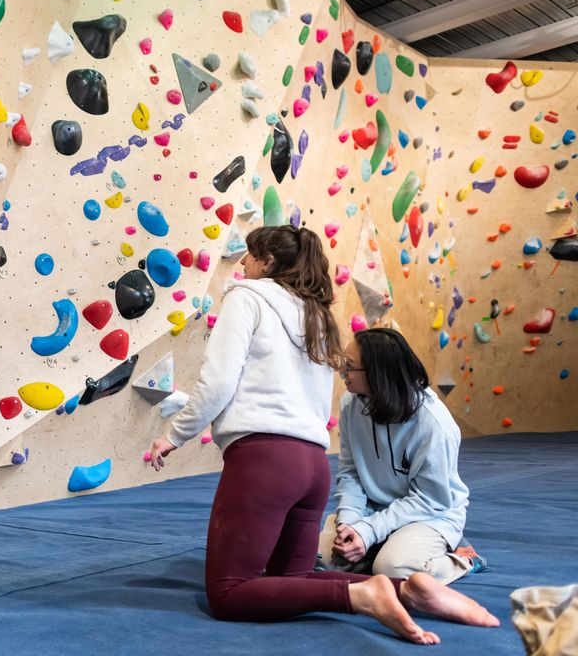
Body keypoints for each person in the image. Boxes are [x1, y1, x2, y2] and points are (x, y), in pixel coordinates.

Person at [146, 225, 499, 644]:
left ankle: (363, 594)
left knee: (228, 592)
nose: (242, 263)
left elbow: (218, 382)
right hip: (312, 467)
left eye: (250, 255)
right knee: (289, 579)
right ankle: (401, 592)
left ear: (268, 263)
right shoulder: (316, 313)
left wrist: (175, 434)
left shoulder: (246, 297)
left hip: (265, 464)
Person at [320, 327, 483, 584]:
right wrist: (349, 522)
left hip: (430, 514)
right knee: (320, 560)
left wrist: (369, 530)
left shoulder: (434, 425)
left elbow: (430, 500)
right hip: (374, 510)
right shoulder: (350, 405)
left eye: (350, 367)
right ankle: (374, 549)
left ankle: (462, 558)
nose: (343, 374)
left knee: (393, 568)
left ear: (377, 375)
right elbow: (351, 472)